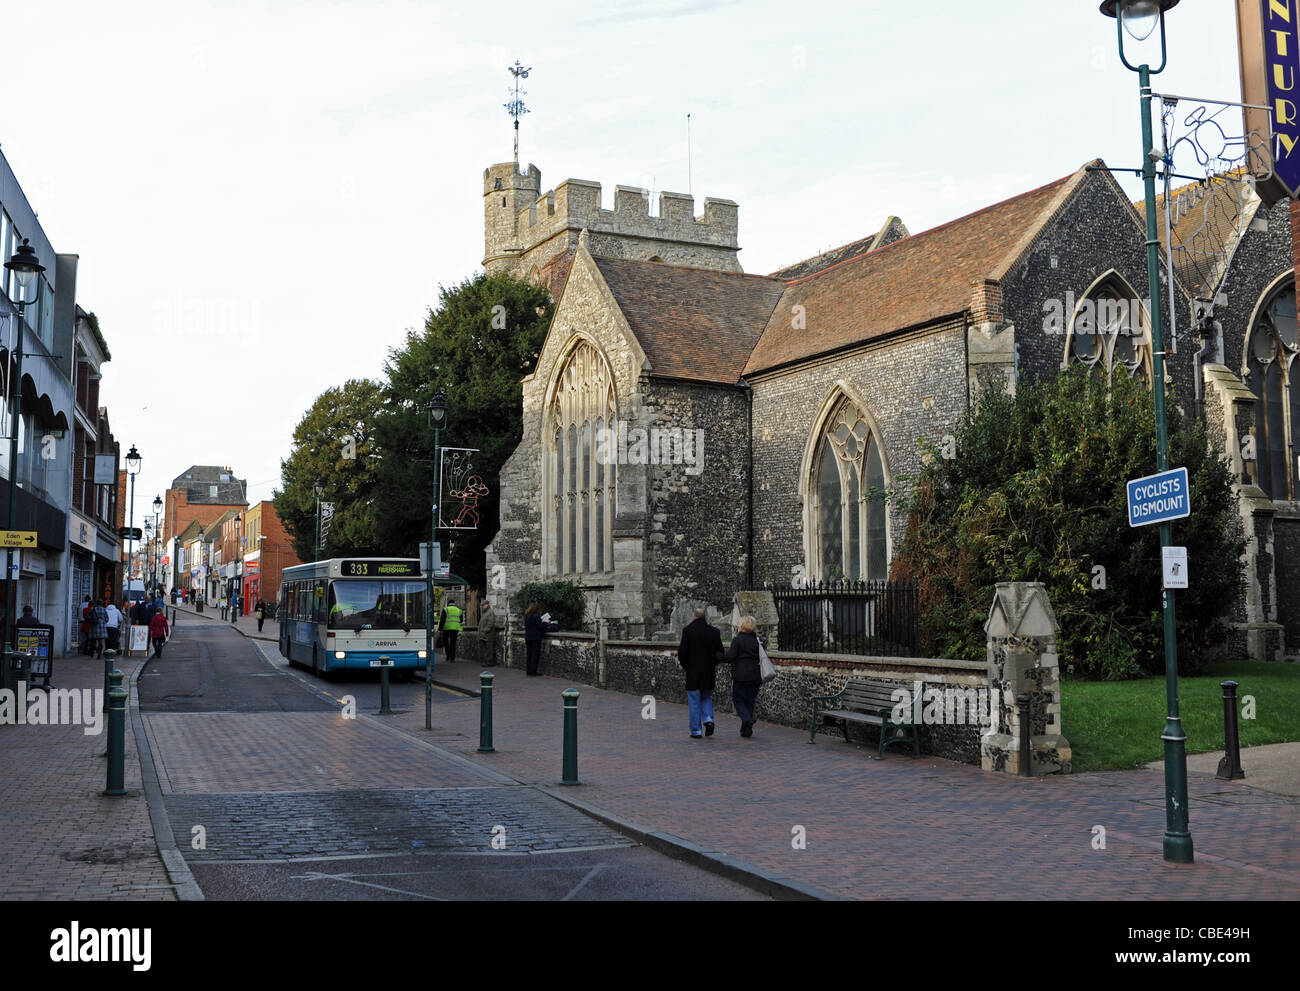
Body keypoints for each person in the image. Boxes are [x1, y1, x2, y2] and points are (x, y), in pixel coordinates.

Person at [678, 607, 724, 739]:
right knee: (706, 697)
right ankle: (708, 720)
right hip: (709, 672)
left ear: (694, 617)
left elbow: (682, 652)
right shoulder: (714, 632)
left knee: (694, 701)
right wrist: (712, 664)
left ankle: (696, 731)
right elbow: (720, 652)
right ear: (705, 617)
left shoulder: (688, 630)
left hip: (693, 672)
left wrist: (686, 666)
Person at [720, 614, 763, 738]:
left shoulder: (737, 640)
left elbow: (730, 656)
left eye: (739, 624)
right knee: (749, 701)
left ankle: (747, 719)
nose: (738, 625)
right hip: (755, 675)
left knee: (738, 700)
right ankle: (746, 730)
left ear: (743, 626)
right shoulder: (757, 641)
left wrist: (718, 656)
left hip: (741, 675)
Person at [523, 603, 557, 676]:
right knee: (535, 655)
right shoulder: (536, 616)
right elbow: (540, 626)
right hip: (535, 638)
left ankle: (529, 671)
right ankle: (533, 672)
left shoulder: (527, 616)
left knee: (529, 655)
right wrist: (546, 622)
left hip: (528, 637)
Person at [478, 599, 498, 666]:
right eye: (482, 605)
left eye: (483, 605)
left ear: (487, 605)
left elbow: (490, 623)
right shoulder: (485, 613)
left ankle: (489, 662)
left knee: (489, 648)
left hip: (488, 634)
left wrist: (484, 630)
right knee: (484, 648)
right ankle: (485, 661)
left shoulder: (490, 612)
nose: (482, 606)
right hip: (483, 634)